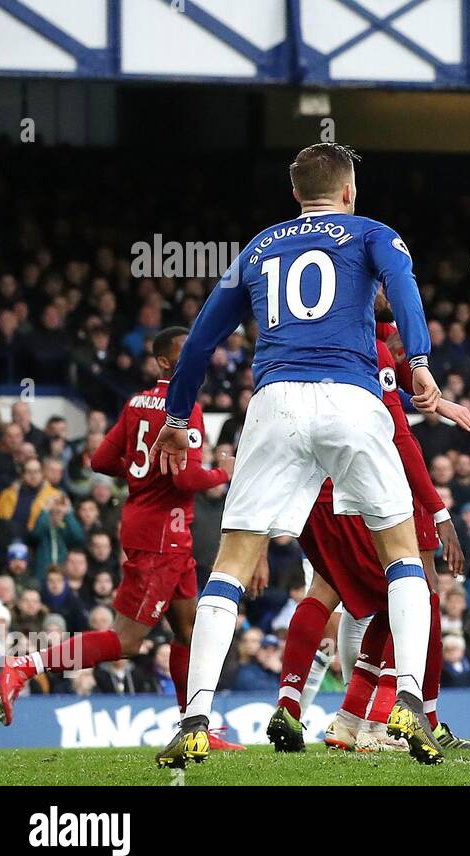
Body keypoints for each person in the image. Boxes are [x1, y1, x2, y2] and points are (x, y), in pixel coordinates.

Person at [150, 143, 445, 767]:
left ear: (295, 196)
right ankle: (410, 702)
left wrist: (177, 418)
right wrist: (418, 362)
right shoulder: (374, 234)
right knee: (402, 554)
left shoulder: (258, 247)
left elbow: (201, 342)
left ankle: (195, 719)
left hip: (275, 400)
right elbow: (407, 296)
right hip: (352, 399)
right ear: (348, 190)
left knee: (230, 565)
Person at [0, 328, 238, 745]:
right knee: (126, 641)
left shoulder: (136, 403)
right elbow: (184, 478)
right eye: (186, 353)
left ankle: (196, 726)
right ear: (164, 361)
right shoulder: (185, 409)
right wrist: (224, 473)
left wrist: (141, 474)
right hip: (162, 536)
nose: (195, 359)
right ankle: (25, 665)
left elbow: (101, 459)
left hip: (155, 531)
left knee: (187, 631)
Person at [269, 325, 470, 755]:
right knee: (409, 595)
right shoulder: (370, 339)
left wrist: (433, 401)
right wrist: (439, 511)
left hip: (306, 483)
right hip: (361, 482)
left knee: (331, 592)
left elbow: (387, 396)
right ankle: (383, 722)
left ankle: (328, 715)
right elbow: (398, 429)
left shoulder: (313, 337)